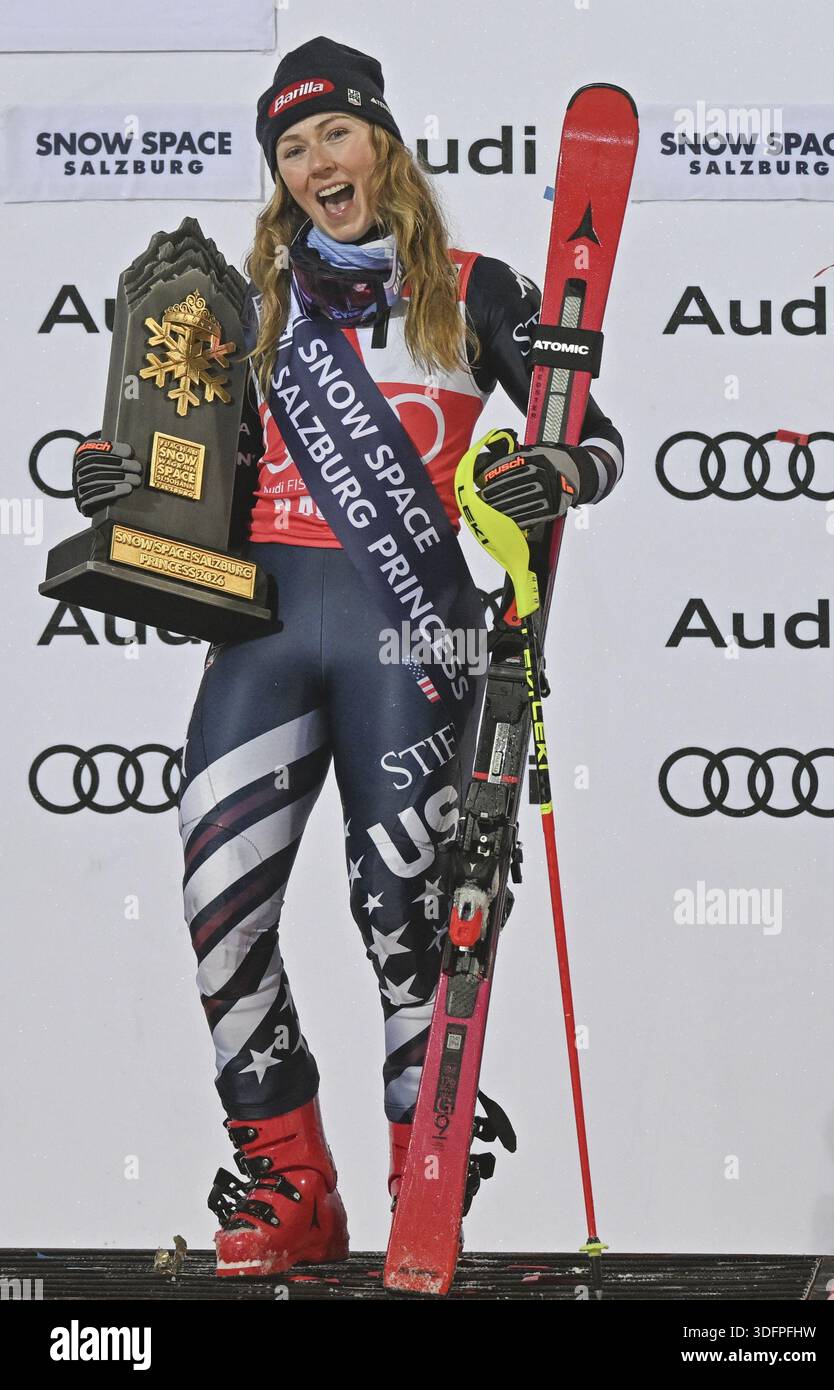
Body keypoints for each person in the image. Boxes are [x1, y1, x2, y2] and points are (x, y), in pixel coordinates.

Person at [71, 35, 624, 1278]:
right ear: (280, 177)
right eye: (290, 146)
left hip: (406, 635)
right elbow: (189, 483)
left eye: (334, 133)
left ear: (380, 145)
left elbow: (595, 439)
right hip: (262, 633)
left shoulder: (476, 292)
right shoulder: (251, 311)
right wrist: (121, 495)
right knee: (222, 915)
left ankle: (416, 1192)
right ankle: (289, 1186)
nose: (317, 159)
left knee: (408, 925)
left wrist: (555, 469)